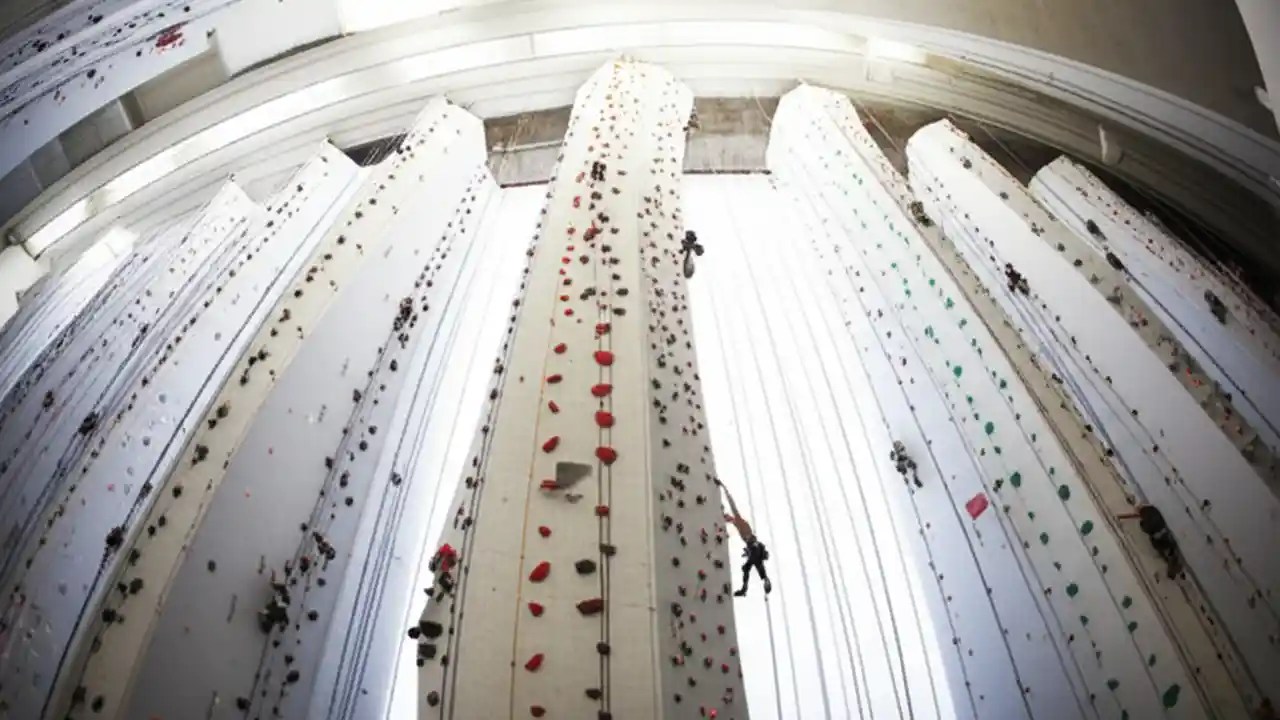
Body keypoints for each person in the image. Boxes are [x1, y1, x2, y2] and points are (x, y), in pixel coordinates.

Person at [714, 479, 770, 596]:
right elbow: (731, 520)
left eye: (728, 517)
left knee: (755, 565)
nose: (728, 518)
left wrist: (723, 487)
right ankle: (747, 588)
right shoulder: (737, 523)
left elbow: (732, 504)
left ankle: (763, 580)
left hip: (754, 547)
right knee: (747, 568)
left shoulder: (739, 521)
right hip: (752, 547)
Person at [1117, 504, 1182, 579]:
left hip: (1159, 535)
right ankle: (1171, 560)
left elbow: (1147, 528)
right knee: (1164, 548)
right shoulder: (1151, 510)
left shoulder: (1146, 517)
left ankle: (1171, 562)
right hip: (1163, 533)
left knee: (1159, 547)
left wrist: (1142, 524)